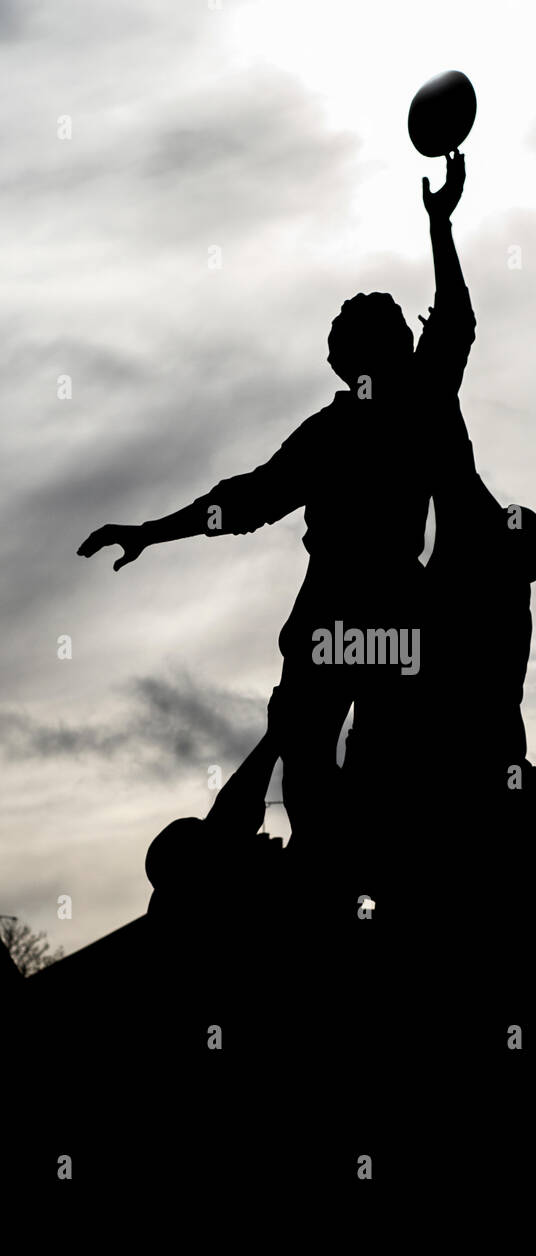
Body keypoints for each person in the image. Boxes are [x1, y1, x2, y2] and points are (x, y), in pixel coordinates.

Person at [78, 152, 477, 848]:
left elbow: (454, 324)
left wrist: (440, 226)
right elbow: (240, 502)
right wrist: (150, 530)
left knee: (354, 766)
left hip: (362, 609)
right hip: (359, 610)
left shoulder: (396, 410)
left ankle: (348, 872)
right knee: (326, 767)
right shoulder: (352, 426)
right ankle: (339, 871)